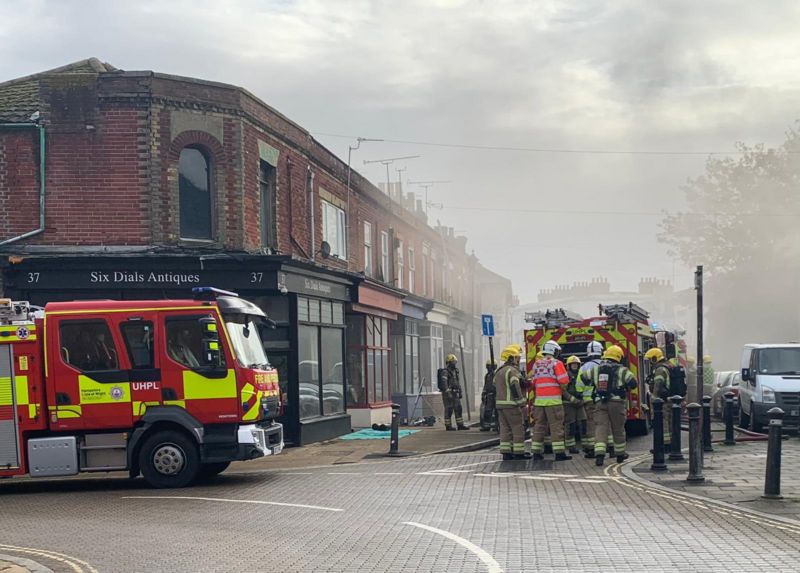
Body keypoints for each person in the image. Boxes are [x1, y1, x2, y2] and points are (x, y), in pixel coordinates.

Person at [584, 345, 637, 466]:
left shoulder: (597, 369)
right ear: (618, 357)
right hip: (617, 403)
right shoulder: (622, 370)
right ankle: (620, 455)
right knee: (618, 429)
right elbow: (633, 383)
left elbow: (584, 378)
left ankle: (599, 456)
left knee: (600, 428)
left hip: (600, 403)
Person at [530, 340, 572, 461]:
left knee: (539, 427)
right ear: (554, 351)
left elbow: (533, 382)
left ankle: (536, 453)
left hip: (539, 402)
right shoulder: (556, 363)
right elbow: (564, 380)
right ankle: (559, 453)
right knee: (556, 427)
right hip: (553, 402)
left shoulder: (536, 364)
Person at [493, 345, 528, 460]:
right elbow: (515, 387)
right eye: (516, 358)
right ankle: (519, 453)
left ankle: (506, 453)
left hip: (500, 405)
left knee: (505, 429)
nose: (518, 360)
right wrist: (521, 402)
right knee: (517, 428)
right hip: (512, 405)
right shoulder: (512, 371)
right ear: (511, 358)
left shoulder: (498, 372)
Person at [579, 341, 603, 458]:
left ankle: (592, 449)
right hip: (603, 399)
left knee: (591, 424)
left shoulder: (584, 367)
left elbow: (579, 386)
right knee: (603, 423)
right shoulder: (605, 364)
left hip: (588, 401)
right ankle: (608, 447)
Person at [645, 347, 672, 453]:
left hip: (663, 400)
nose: (651, 362)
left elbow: (658, 385)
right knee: (669, 423)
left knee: (663, 423)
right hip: (670, 399)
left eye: (651, 359)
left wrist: (654, 399)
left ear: (655, 358)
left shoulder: (660, 369)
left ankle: (664, 446)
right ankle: (670, 445)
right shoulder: (668, 365)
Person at [438, 354, 468, 431]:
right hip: (448, 394)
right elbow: (444, 383)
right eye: (453, 362)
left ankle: (460, 425)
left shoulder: (456, 371)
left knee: (458, 408)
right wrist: (448, 393)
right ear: (449, 362)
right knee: (449, 409)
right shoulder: (445, 372)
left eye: (455, 362)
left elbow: (458, 382)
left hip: (455, 393)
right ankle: (448, 426)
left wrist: (460, 391)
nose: (455, 364)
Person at [564, 355, 585, 454]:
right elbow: (563, 390)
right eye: (572, 364)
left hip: (580, 403)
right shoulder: (565, 376)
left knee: (583, 423)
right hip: (569, 404)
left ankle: (586, 445)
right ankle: (571, 447)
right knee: (570, 426)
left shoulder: (582, 375)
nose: (574, 366)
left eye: (576, 364)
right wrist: (571, 399)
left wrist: (582, 399)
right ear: (568, 366)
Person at [480, 359, 497, 431]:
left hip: (495, 395)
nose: (488, 368)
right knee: (487, 411)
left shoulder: (496, 375)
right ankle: (486, 426)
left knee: (496, 411)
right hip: (489, 396)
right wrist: (483, 394)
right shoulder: (487, 376)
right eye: (487, 366)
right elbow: (485, 386)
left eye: (489, 366)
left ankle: (496, 426)